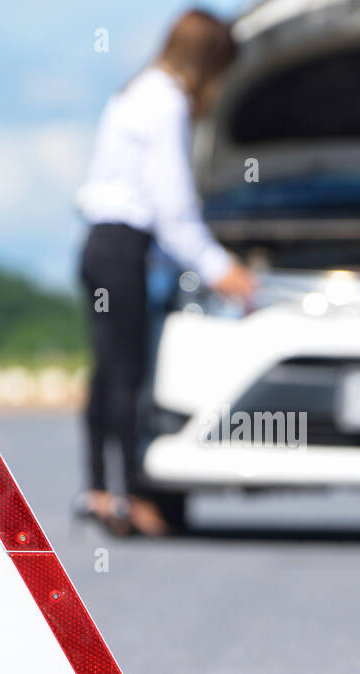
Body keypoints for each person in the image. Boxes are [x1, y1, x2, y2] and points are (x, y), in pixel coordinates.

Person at [75, 9, 256, 535]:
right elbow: (173, 208)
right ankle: (131, 495)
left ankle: (101, 490)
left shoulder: (134, 91)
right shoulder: (168, 102)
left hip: (98, 243)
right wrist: (223, 269)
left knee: (108, 370)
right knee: (129, 376)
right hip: (124, 246)